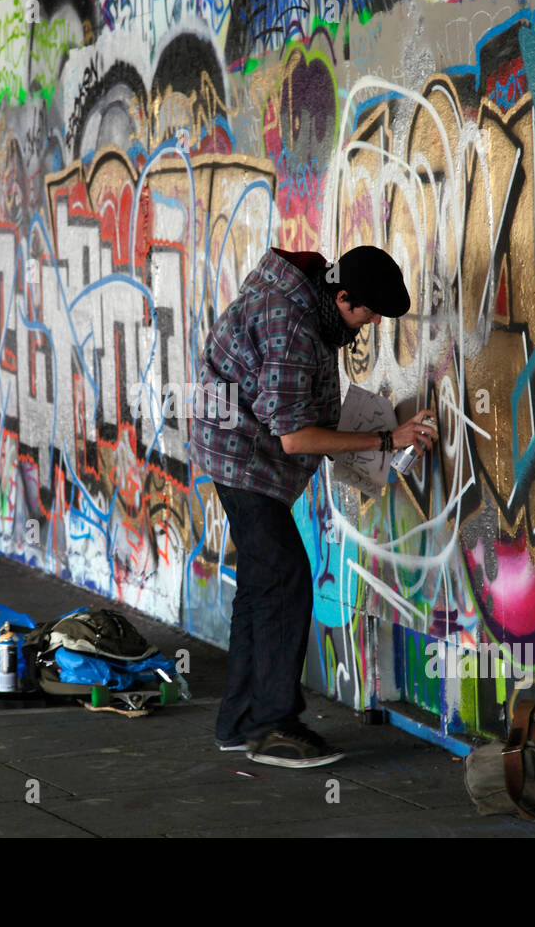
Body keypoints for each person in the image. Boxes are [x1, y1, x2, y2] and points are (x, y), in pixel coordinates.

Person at [189, 245, 437, 768]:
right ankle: (273, 727)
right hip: (242, 460)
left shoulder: (311, 304)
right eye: (365, 313)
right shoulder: (292, 324)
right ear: (341, 295)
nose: (367, 326)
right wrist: (386, 441)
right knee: (285, 578)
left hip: (236, 452)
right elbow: (297, 439)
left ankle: (238, 723)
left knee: (262, 586)